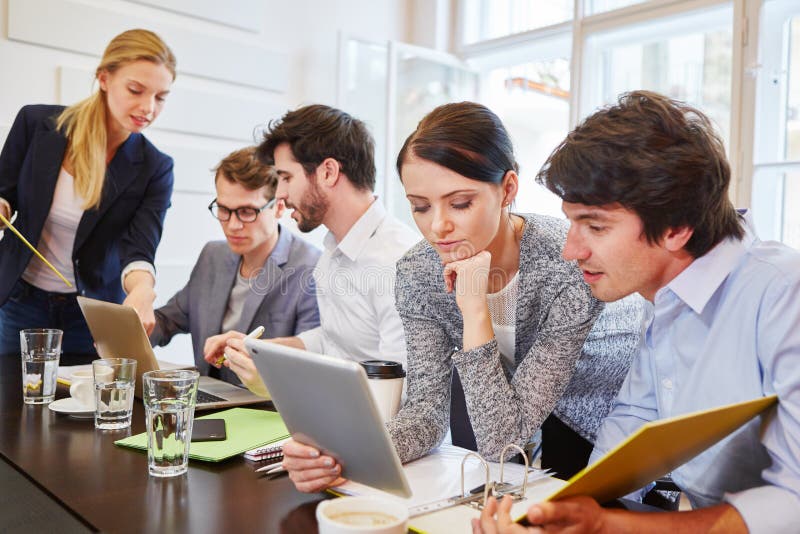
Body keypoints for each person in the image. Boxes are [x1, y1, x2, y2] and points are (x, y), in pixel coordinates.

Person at [476, 91, 800, 533]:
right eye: (571, 223)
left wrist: (604, 525)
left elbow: (792, 503)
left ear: (676, 227)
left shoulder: (783, 295)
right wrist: (552, 517)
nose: (571, 251)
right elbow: (633, 420)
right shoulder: (666, 292)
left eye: (595, 226)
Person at [280, 102, 645, 493]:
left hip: (612, 431)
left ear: (507, 190)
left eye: (460, 203)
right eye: (419, 206)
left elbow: (499, 441)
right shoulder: (419, 271)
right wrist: (344, 452)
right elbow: (425, 414)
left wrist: (474, 311)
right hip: (532, 437)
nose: (438, 227)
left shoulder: (565, 264)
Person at [207, 104, 418, 395]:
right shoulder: (333, 252)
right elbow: (331, 342)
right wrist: (259, 352)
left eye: (286, 178)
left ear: (328, 172)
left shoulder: (399, 262)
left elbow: (402, 394)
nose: (280, 194)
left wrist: (276, 382)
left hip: (381, 437)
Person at [0, 29, 175, 361]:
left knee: (81, 410)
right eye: (136, 90)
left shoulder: (155, 167)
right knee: (10, 403)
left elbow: (139, 249)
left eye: (161, 97)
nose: (148, 108)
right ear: (104, 78)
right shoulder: (36, 124)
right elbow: (4, 193)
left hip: (90, 312)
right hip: (20, 300)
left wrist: (142, 289)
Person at [149, 147, 320, 389]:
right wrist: (129, 328)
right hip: (206, 399)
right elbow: (169, 319)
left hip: (267, 408)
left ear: (279, 207)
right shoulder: (213, 255)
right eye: (223, 210)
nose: (233, 225)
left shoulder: (310, 267)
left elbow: (311, 363)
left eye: (247, 212)